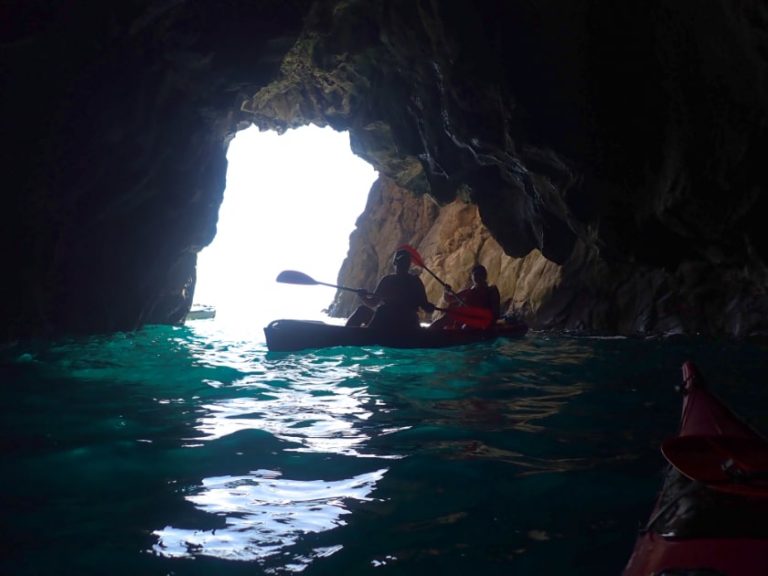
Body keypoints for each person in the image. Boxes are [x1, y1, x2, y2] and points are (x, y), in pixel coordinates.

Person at [346, 249, 435, 330]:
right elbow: (426, 308)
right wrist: (430, 307)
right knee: (365, 311)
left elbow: (373, 303)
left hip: (386, 323)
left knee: (364, 311)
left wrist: (363, 297)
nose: (403, 264)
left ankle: (344, 335)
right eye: (403, 262)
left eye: (404, 262)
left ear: (395, 263)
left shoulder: (388, 280)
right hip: (408, 325)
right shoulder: (415, 281)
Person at [429, 264, 501, 330]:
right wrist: (446, 291)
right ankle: (431, 330)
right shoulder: (469, 291)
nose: (477, 277)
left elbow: (495, 312)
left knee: (454, 314)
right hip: (473, 319)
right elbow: (449, 299)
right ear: (472, 277)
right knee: (452, 311)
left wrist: (491, 323)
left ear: (484, 276)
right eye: (475, 275)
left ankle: (429, 331)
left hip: (486, 319)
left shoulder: (492, 290)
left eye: (480, 275)